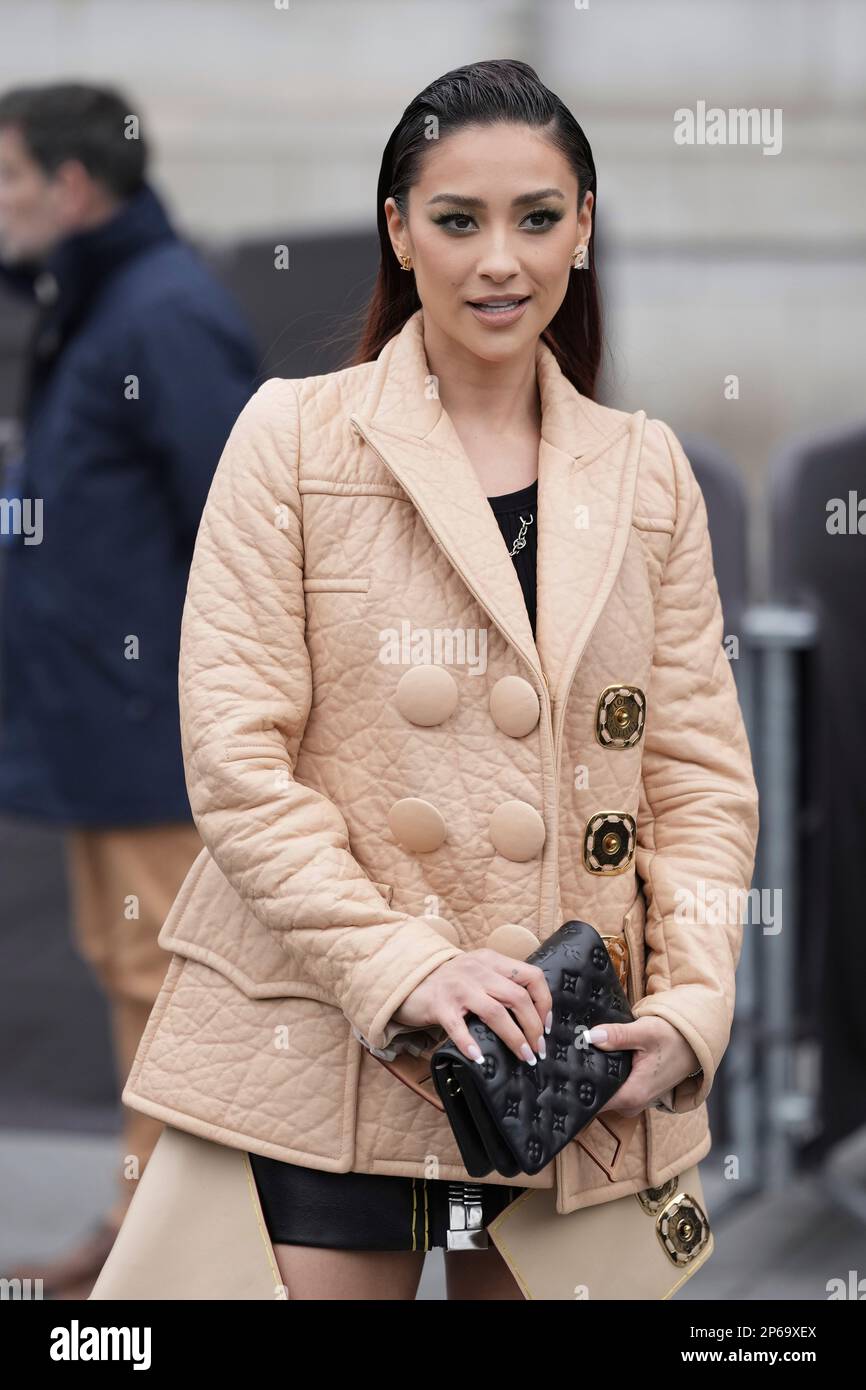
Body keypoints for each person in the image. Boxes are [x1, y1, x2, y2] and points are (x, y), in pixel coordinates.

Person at [106, 57, 759, 1301]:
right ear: (398, 233)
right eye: (457, 220)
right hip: (330, 1039)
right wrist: (403, 967)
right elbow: (237, 764)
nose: (498, 260)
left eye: (536, 217)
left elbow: (698, 782)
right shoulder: (291, 439)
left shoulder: (646, 471)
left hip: (567, 1060)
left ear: (581, 226)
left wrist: (689, 1007)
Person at [0, 82, 260, 1297]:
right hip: (104, 725)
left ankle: (174, 1259)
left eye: (6, 176)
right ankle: (144, 1223)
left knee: (175, 986)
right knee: (132, 973)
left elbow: (247, 525)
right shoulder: (101, 298)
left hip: (157, 729)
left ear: (71, 185)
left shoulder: (159, 312)